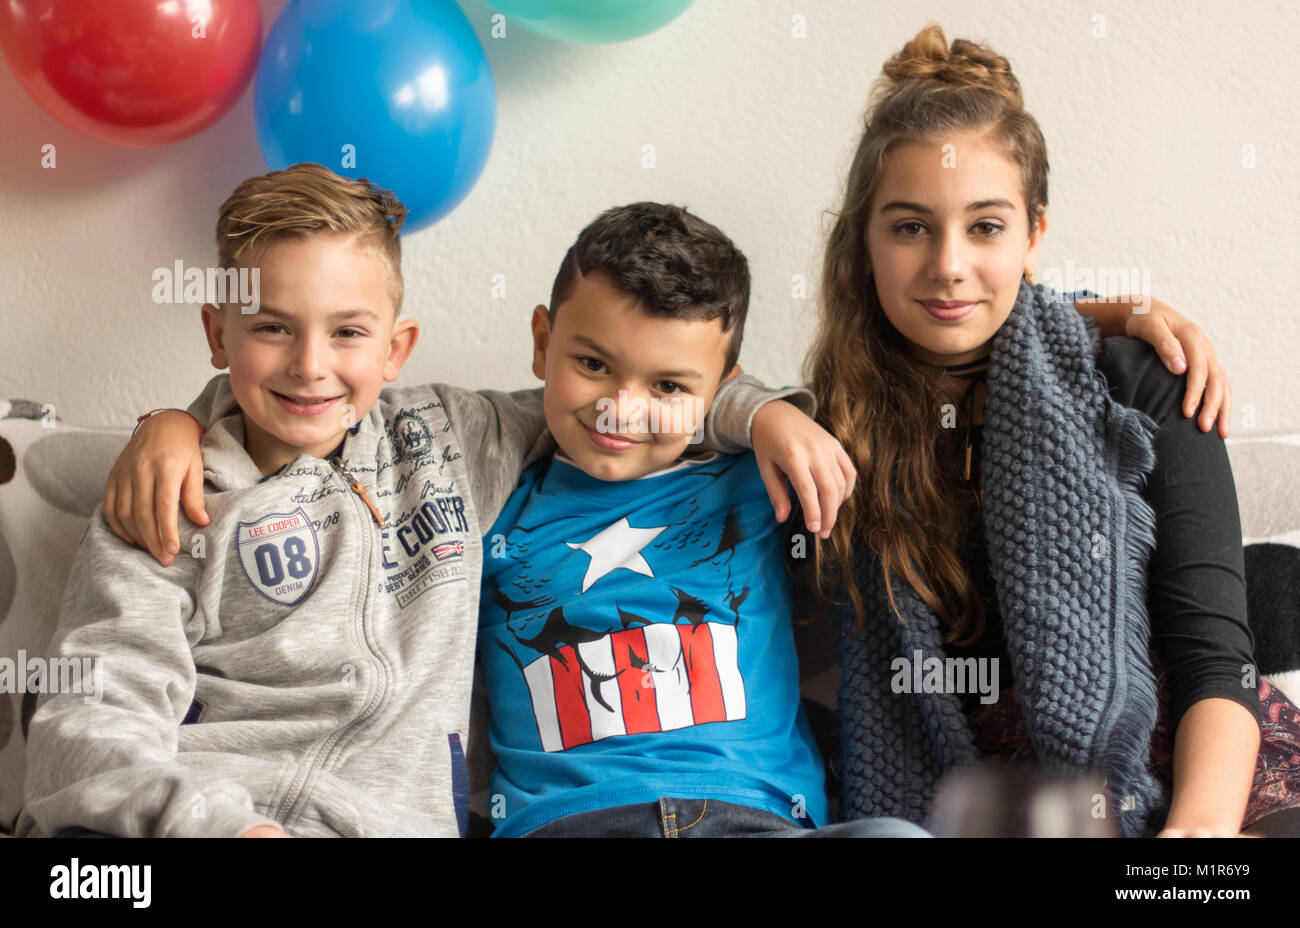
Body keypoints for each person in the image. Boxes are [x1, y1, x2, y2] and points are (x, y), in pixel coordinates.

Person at [16, 165, 840, 838]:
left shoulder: (455, 438)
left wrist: (762, 411)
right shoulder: (165, 499)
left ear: (396, 346)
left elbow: (624, 404)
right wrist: (172, 426)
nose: (310, 365)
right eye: (271, 327)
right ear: (215, 333)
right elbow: (85, 725)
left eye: (347, 332)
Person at [799, 24, 1300, 837]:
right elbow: (686, 400)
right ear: (864, 242)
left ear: (1034, 234)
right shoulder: (836, 429)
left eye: (985, 227)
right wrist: (761, 415)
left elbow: (1216, 658)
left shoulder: (1139, 379)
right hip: (989, 795)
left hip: (1198, 762)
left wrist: (1196, 838)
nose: (949, 264)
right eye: (910, 226)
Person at [479, 202, 923, 837]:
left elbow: (923, 372)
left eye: (668, 387)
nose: (621, 410)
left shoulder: (756, 476)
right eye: (594, 365)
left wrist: (769, 414)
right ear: (543, 342)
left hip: (754, 817)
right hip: (567, 823)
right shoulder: (491, 504)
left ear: (720, 393)